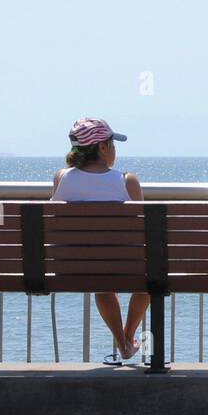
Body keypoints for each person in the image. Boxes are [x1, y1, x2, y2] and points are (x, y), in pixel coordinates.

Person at [50, 117, 149, 364]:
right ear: (102, 148)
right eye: (112, 144)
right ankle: (127, 339)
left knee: (102, 279)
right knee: (149, 281)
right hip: (129, 267)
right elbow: (146, 232)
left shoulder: (61, 178)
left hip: (74, 269)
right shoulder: (127, 181)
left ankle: (123, 343)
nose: (115, 150)